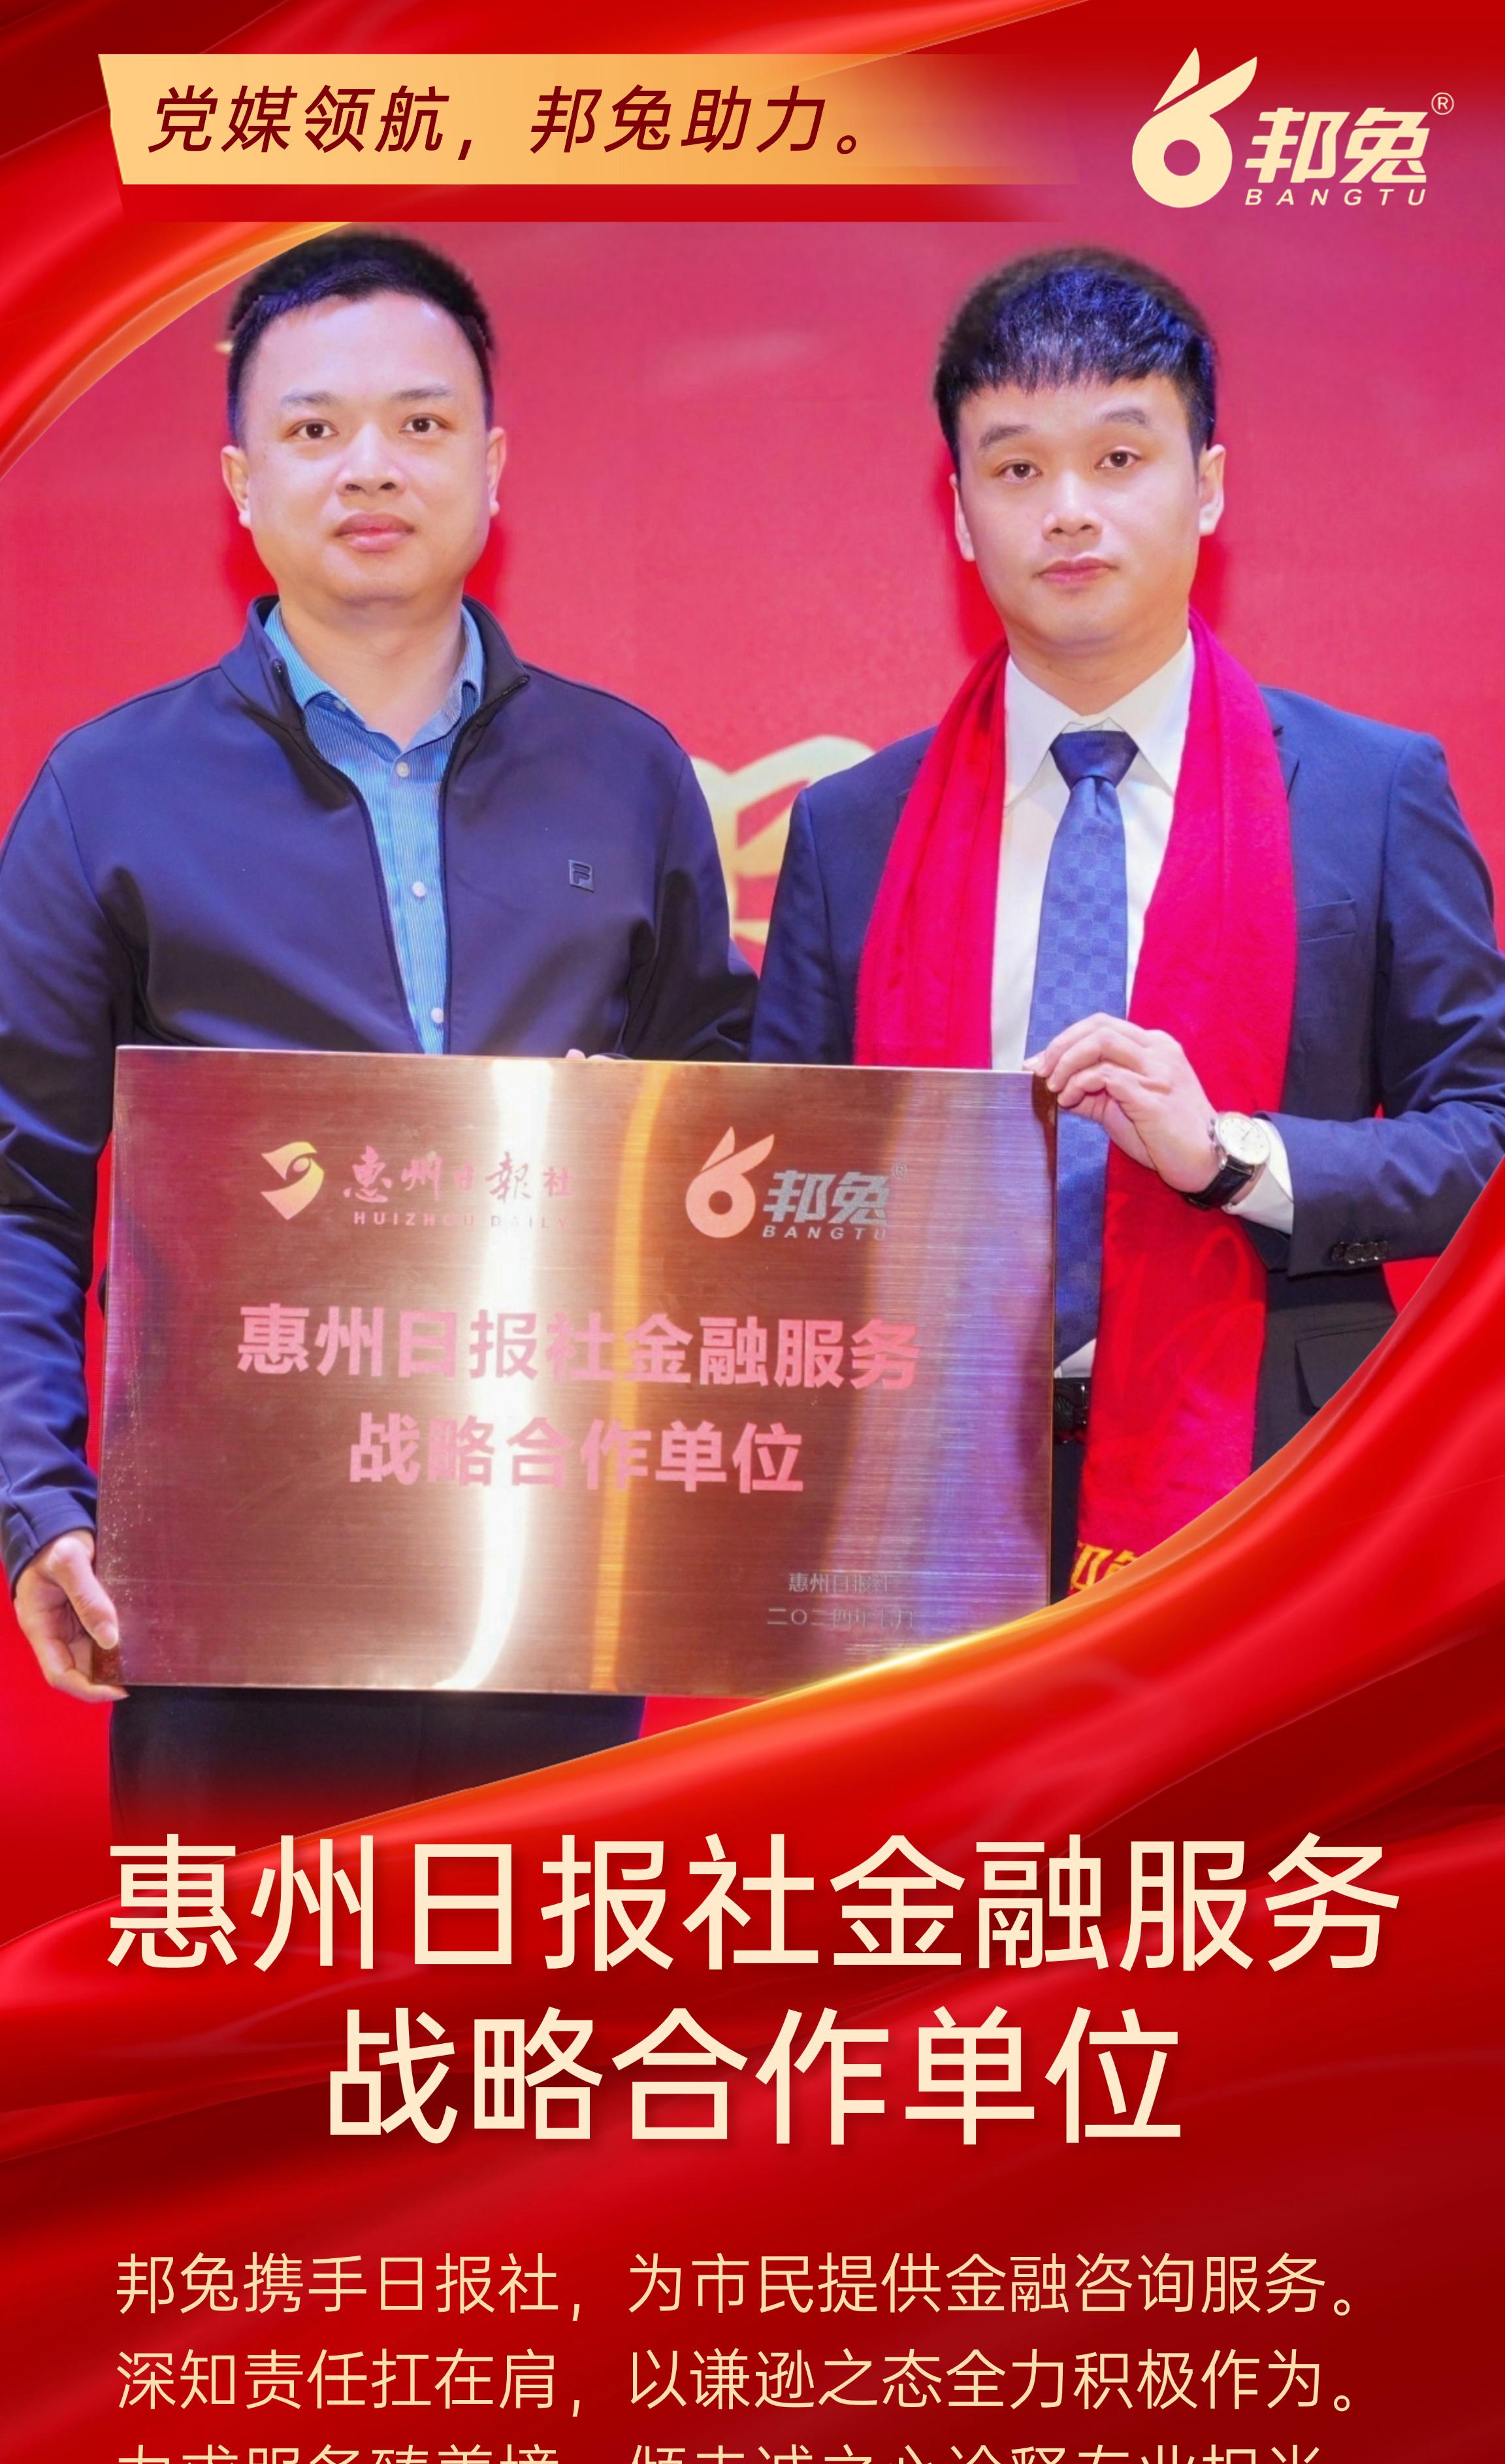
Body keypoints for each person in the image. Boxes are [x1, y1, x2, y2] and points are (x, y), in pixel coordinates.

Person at [0, 229, 753, 1827]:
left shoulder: (627, 775)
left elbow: (733, 1129)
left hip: (553, 1550)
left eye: (420, 423)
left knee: (528, 1966)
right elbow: (20, 1188)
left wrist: (639, 1143)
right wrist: (36, 1499)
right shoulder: (107, 794)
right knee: (245, 1982)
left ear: (491, 465)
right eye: (313, 426)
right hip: (230, 1568)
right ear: (241, 480)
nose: (370, 466)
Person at [752, 245, 1505, 1602]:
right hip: (919, 1479)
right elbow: (783, 1177)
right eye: (1017, 468)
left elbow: (1487, 1135)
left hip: (1275, 1471)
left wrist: (1234, 1156)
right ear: (961, 513)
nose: (1069, 512)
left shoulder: (1373, 792)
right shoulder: (854, 828)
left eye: (1118, 457)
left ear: (1207, 485)